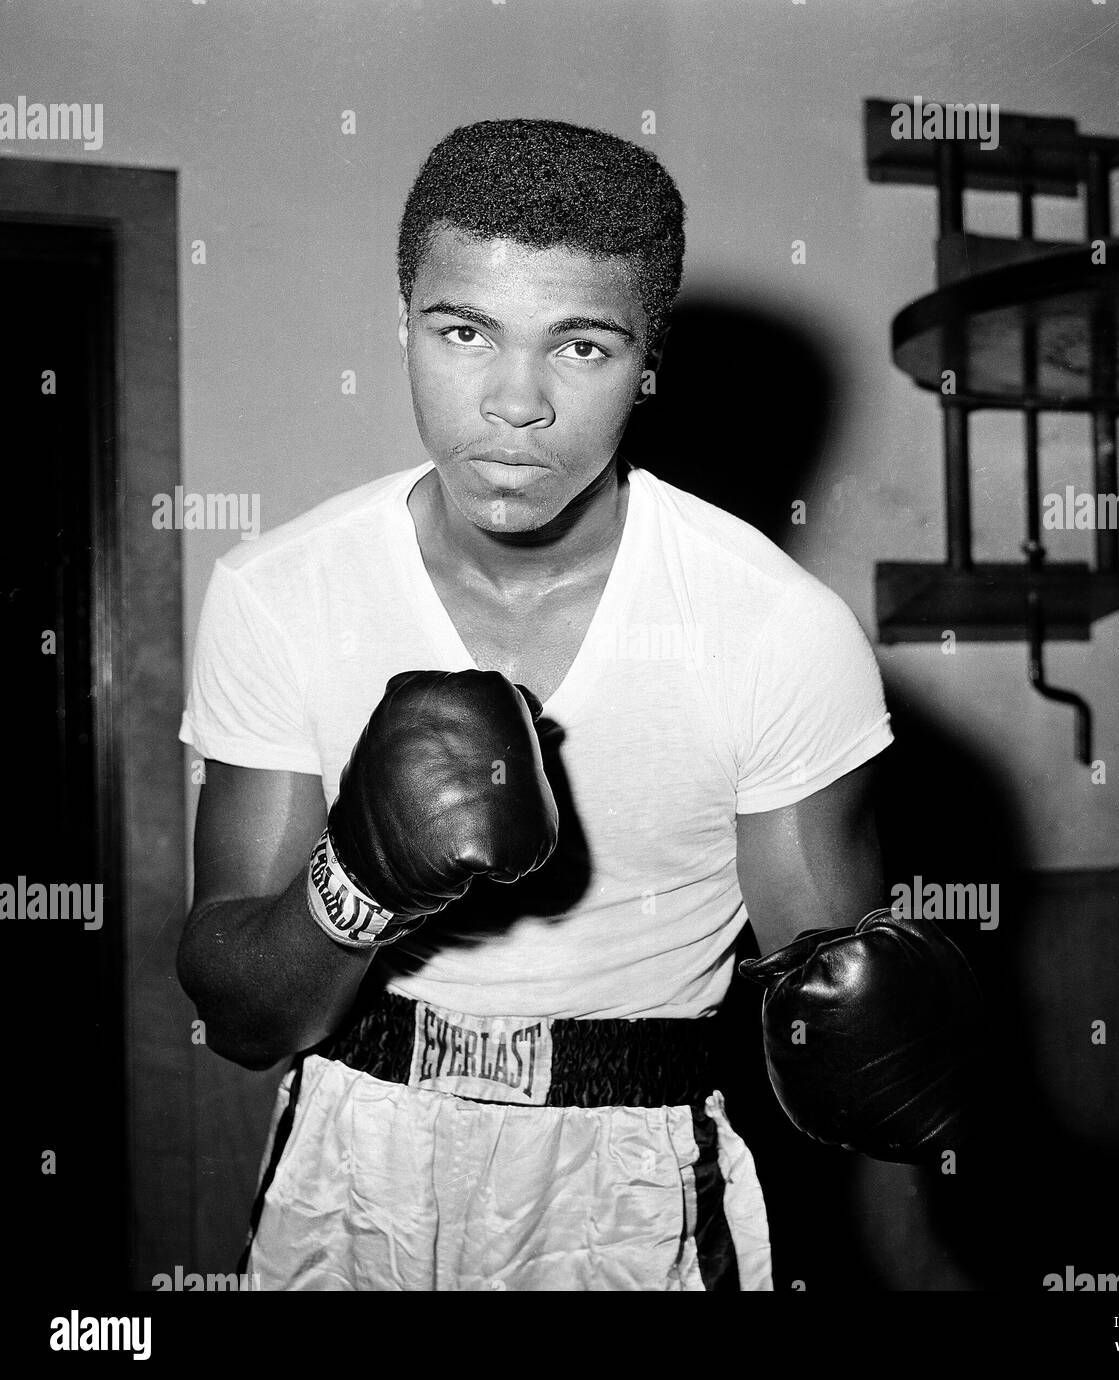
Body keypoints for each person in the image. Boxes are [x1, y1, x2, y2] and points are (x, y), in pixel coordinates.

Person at [176, 117, 937, 1293]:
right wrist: (358, 882)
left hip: (635, 1177)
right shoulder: (279, 594)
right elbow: (241, 1020)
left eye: (579, 346)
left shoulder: (775, 630)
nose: (514, 403)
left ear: (648, 365)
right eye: (466, 331)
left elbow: (832, 1007)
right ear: (405, 331)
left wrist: (897, 1048)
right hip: (355, 1154)